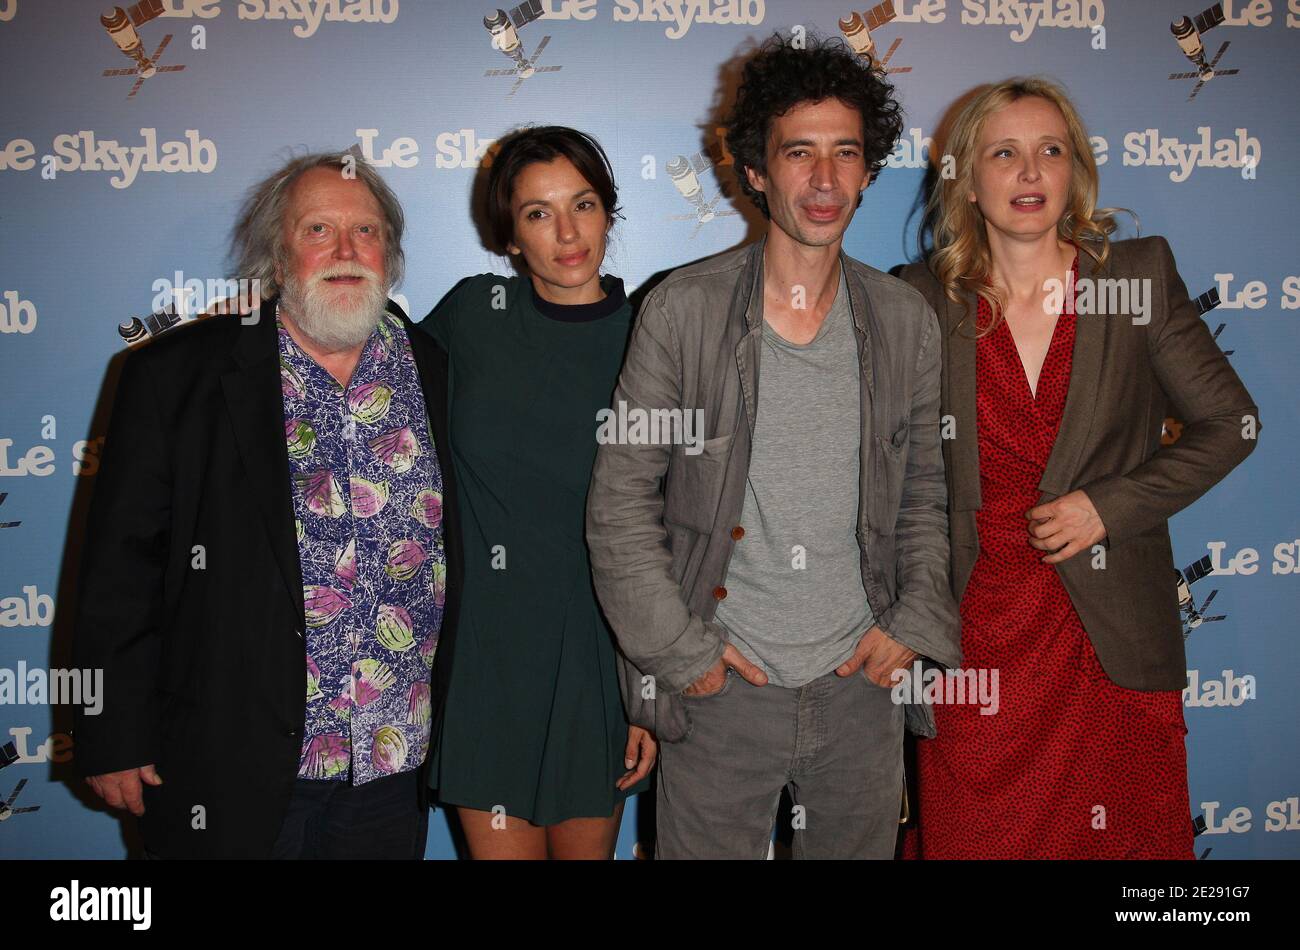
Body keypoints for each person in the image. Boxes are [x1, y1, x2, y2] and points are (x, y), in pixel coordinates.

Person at [585, 35, 960, 860]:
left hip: (862, 689)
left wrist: (911, 623)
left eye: (845, 154)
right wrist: (687, 659)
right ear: (756, 169)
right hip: (723, 693)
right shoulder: (682, 312)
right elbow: (619, 507)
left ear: (867, 171)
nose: (824, 181)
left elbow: (927, 494)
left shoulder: (904, 321)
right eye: (800, 153)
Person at [899, 77, 1259, 859]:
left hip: (1110, 645)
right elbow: (891, 473)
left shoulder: (1137, 274)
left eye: (1049, 151)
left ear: (1076, 171)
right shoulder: (922, 298)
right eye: (1005, 153)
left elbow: (1233, 422)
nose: (1029, 173)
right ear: (967, 176)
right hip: (976, 639)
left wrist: (1113, 505)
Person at [72, 152, 461, 859]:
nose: (346, 251)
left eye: (366, 231)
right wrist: (111, 732)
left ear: (391, 253)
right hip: (228, 764)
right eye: (318, 229)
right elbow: (117, 574)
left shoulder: (434, 364)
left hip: (390, 763)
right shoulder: (175, 377)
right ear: (278, 258)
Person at [418, 126, 655, 860]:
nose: (567, 232)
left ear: (609, 213)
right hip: (485, 656)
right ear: (510, 235)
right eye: (537, 213)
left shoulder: (655, 332)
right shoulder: (470, 317)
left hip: (601, 654)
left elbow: (682, 521)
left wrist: (648, 690)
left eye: (583, 204)